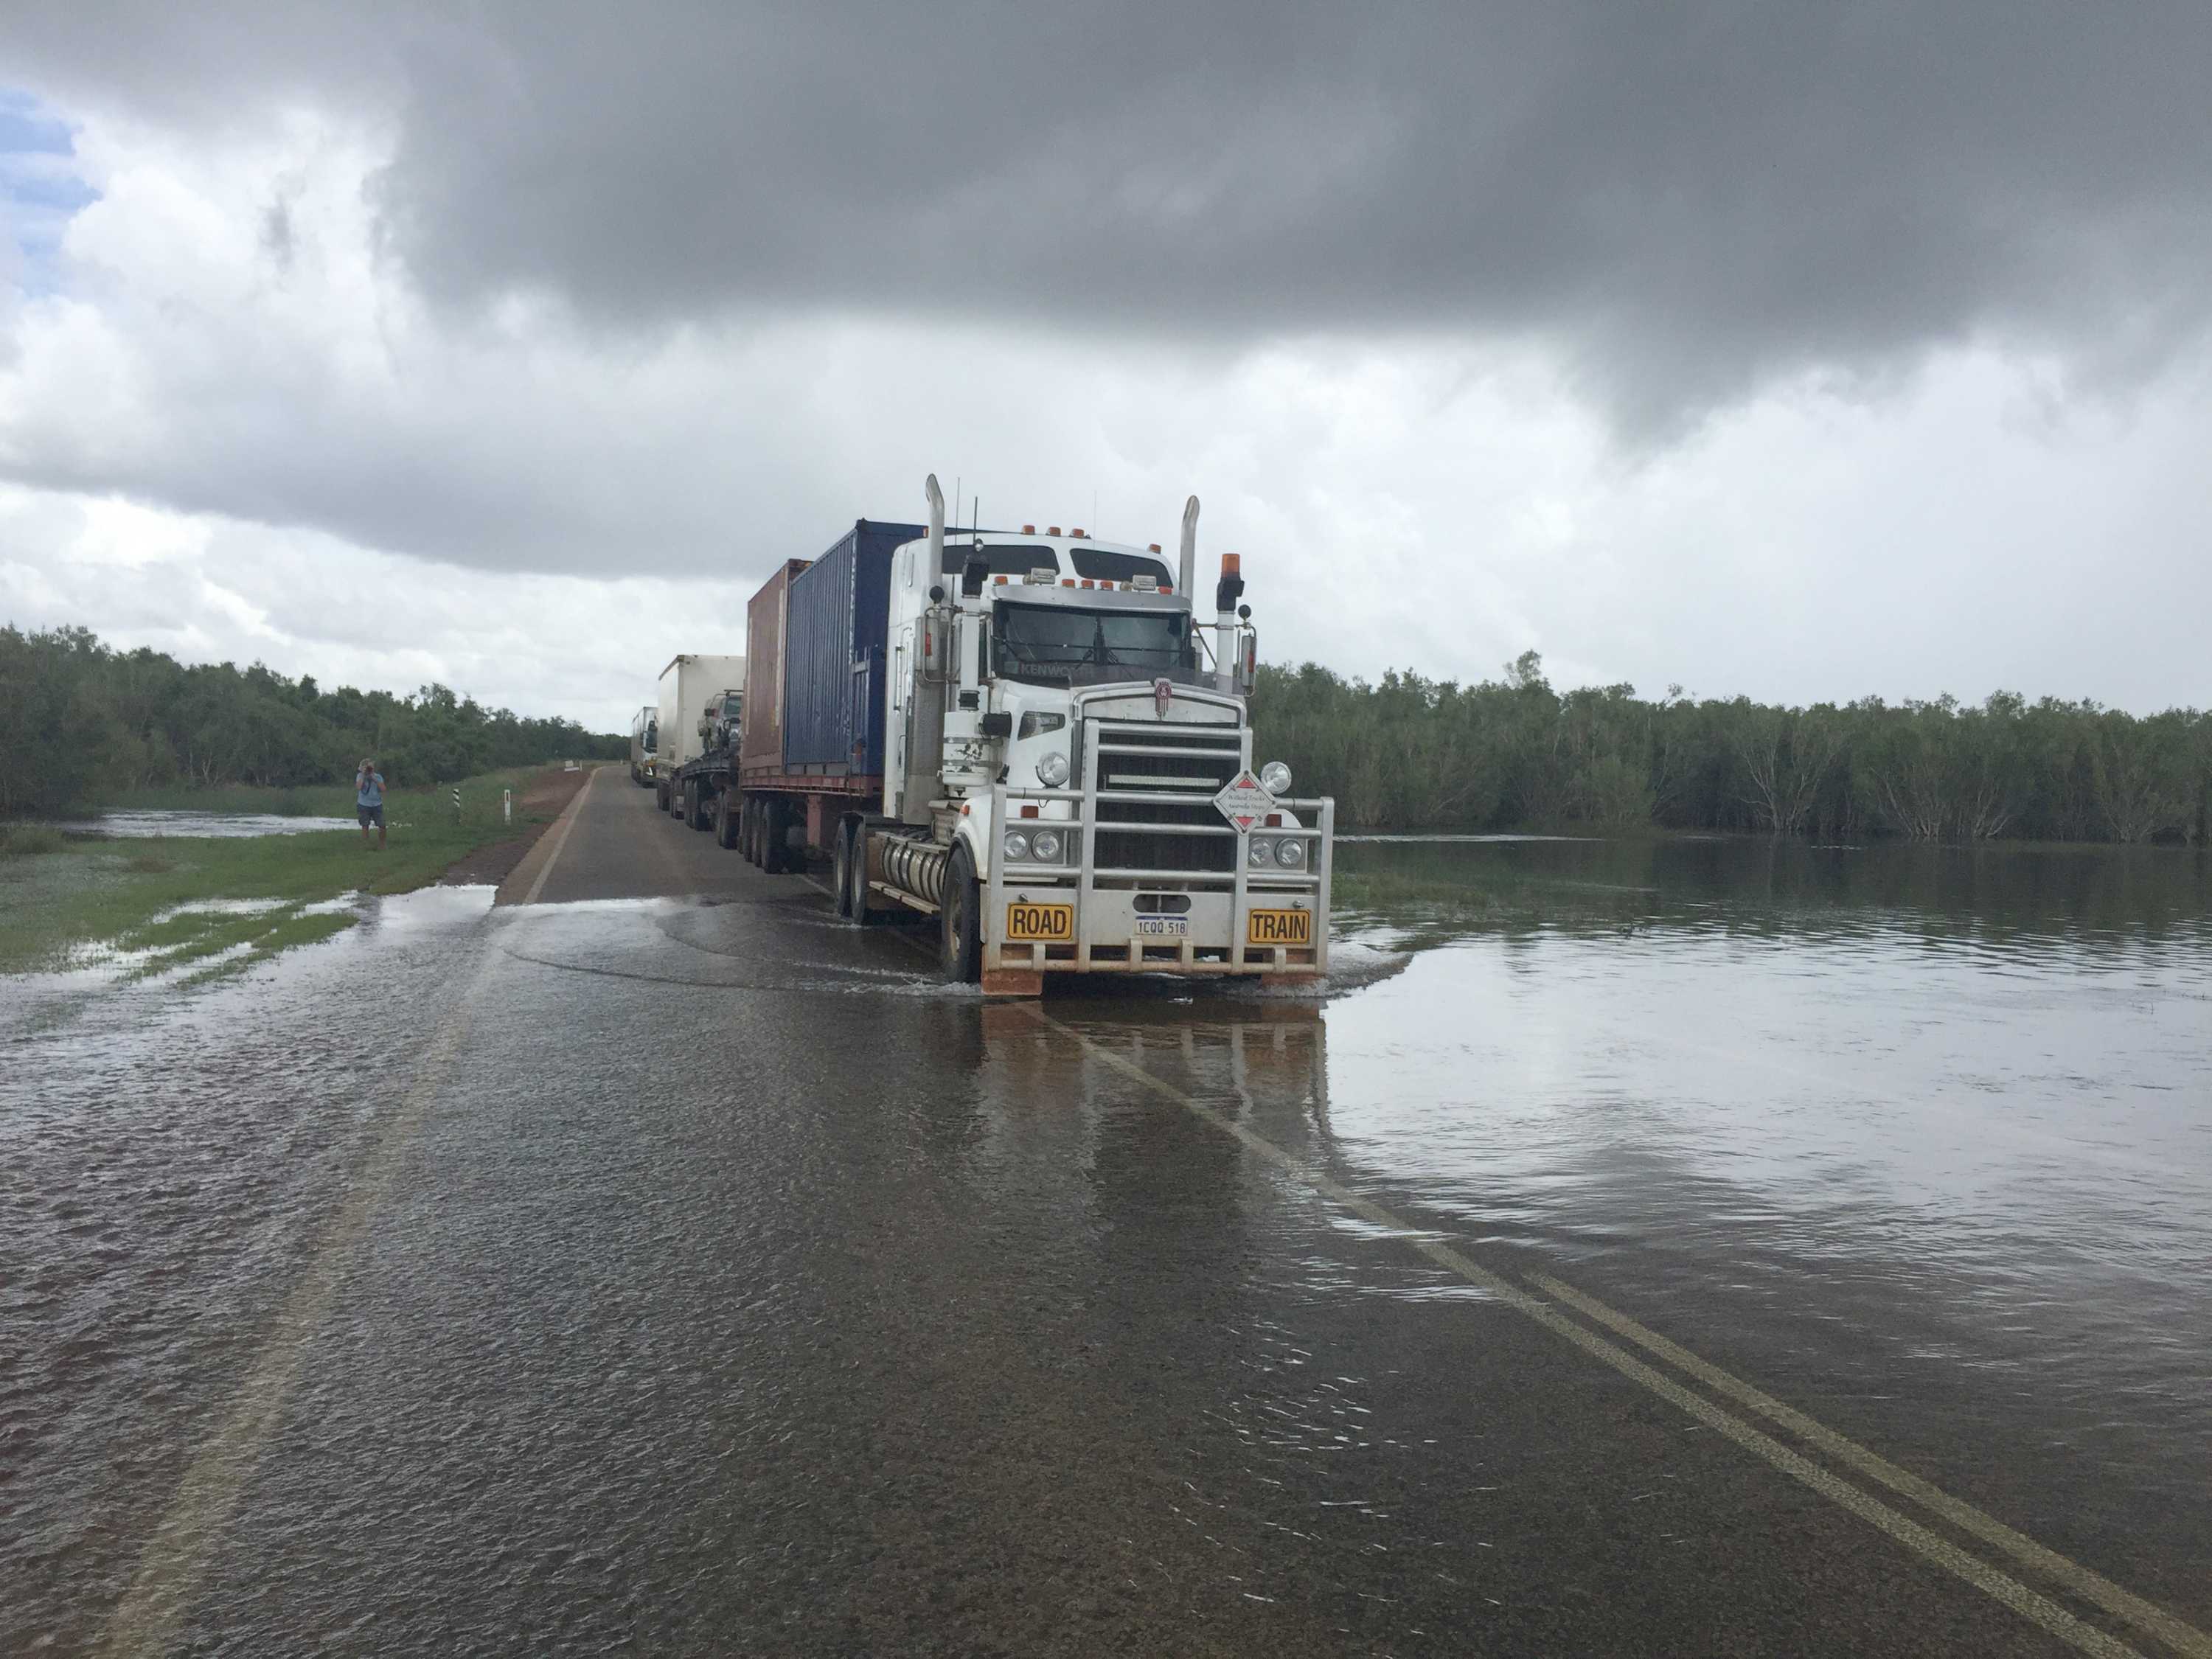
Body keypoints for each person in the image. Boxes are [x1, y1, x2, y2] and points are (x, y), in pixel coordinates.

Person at [356, 757, 387, 850]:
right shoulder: (360, 776)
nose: (369, 770)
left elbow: (383, 789)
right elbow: (358, 787)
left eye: (370, 768)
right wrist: (364, 775)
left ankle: (382, 845)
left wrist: (374, 779)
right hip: (364, 804)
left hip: (377, 804)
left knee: (382, 825)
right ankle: (366, 845)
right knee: (365, 825)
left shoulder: (378, 777)